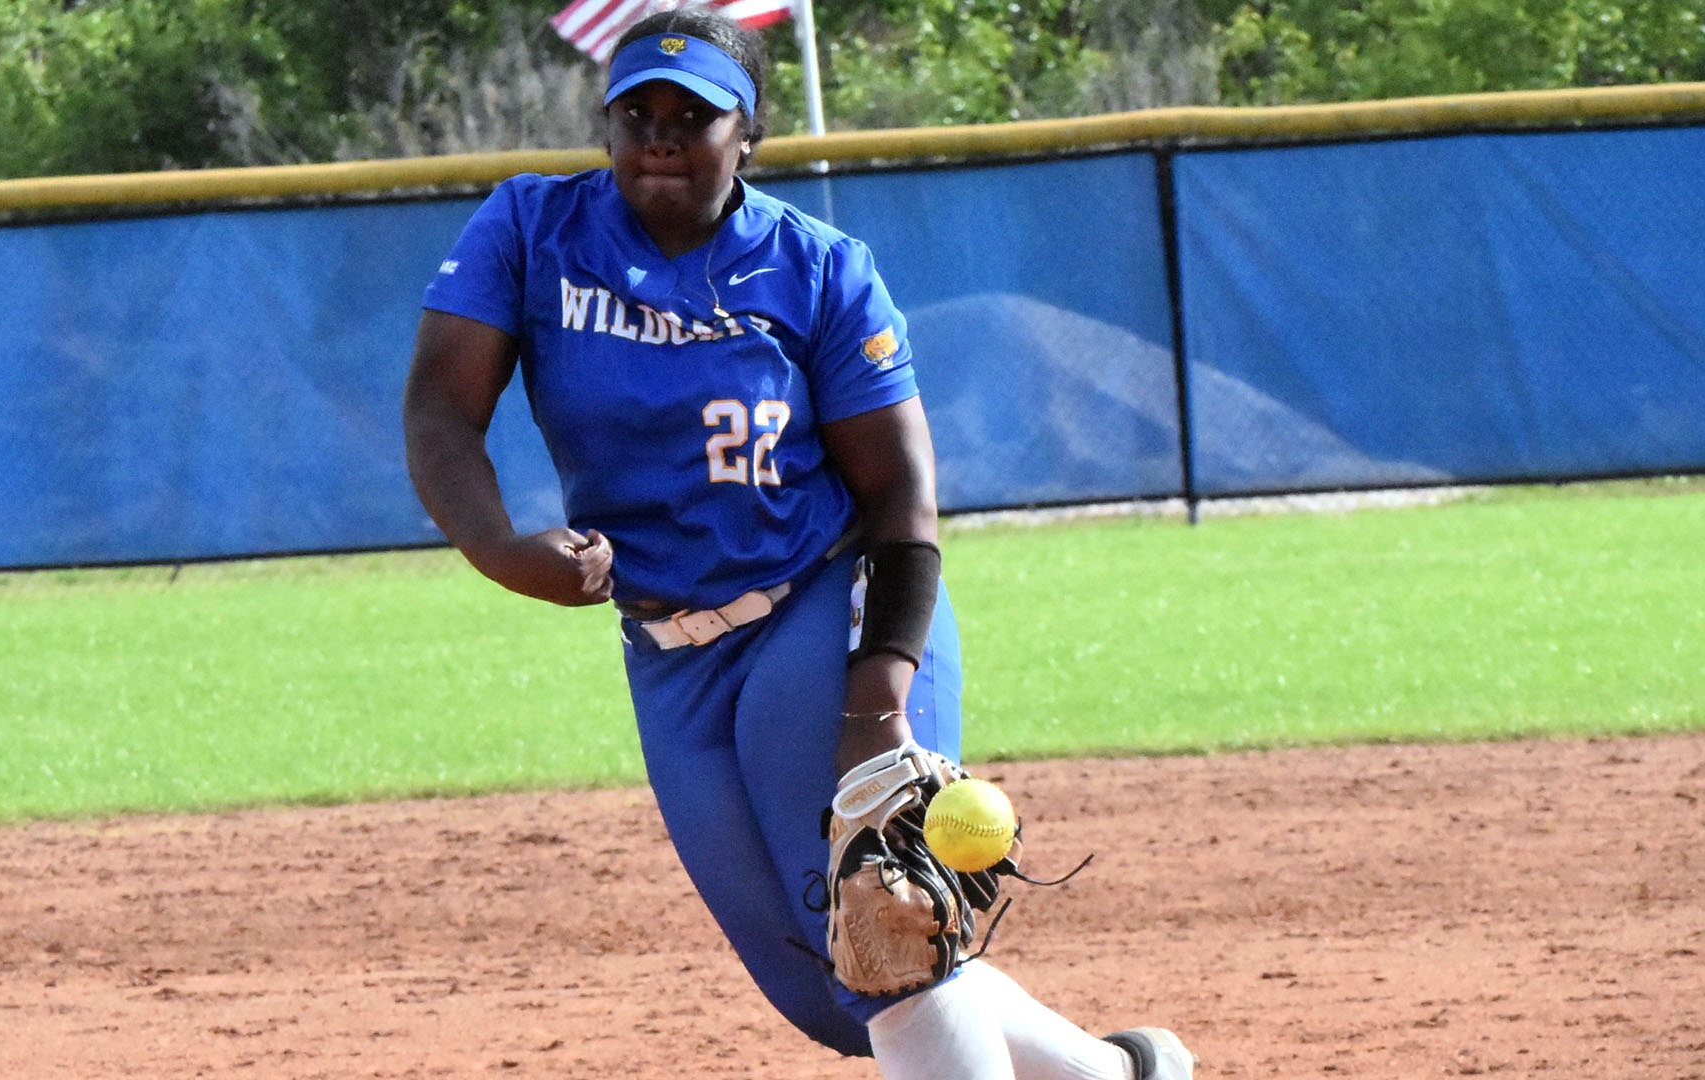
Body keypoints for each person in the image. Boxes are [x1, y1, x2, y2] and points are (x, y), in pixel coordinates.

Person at [400, 8, 1194, 1079]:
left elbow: (903, 497)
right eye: (639, 112)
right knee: (826, 993)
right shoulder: (533, 231)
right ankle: (1118, 1074)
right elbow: (441, 409)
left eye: (695, 115)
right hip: (670, 655)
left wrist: (877, 706)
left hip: (820, 609)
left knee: (887, 935)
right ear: (606, 125)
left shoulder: (815, 269)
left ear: (749, 132)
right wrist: (499, 548)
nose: (663, 136)